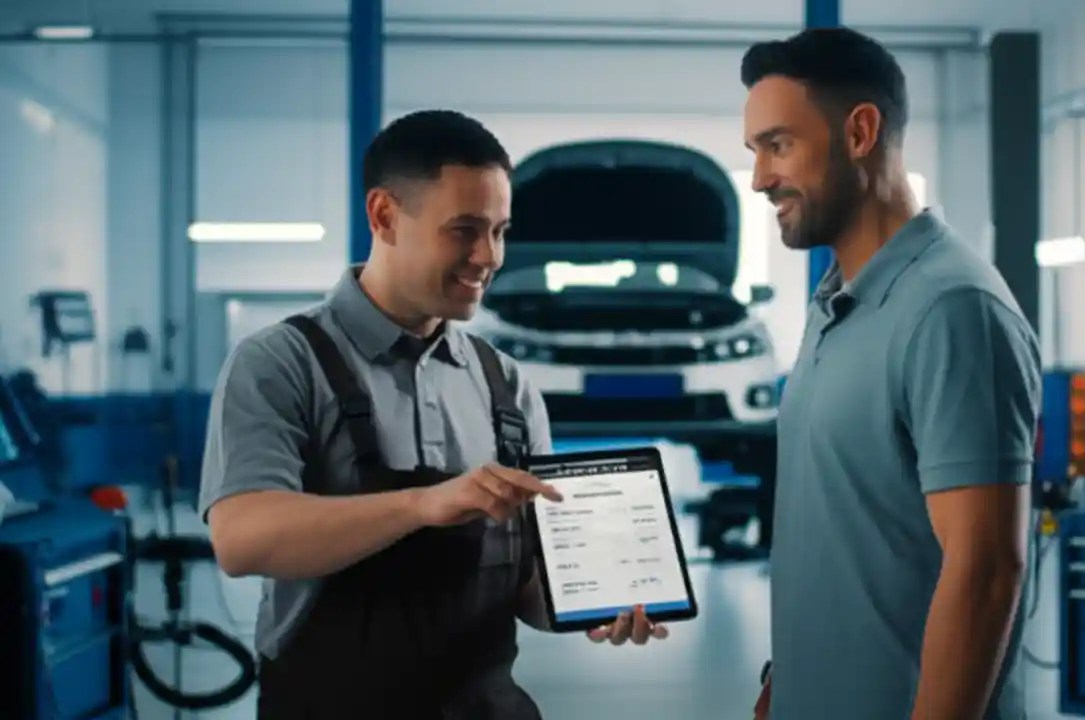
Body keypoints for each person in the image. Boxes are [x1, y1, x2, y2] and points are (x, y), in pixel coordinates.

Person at [199, 110, 666, 720]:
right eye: (465, 230)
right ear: (385, 216)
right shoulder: (281, 363)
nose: (488, 257)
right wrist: (423, 504)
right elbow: (242, 538)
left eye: (500, 231)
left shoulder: (508, 386)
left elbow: (530, 582)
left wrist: (593, 602)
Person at [741, 28, 1042, 720]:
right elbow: (849, 523)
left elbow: (988, 570)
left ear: (860, 132)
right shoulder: (832, 304)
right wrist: (789, 678)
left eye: (778, 145)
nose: (759, 179)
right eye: (754, 152)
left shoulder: (951, 307)